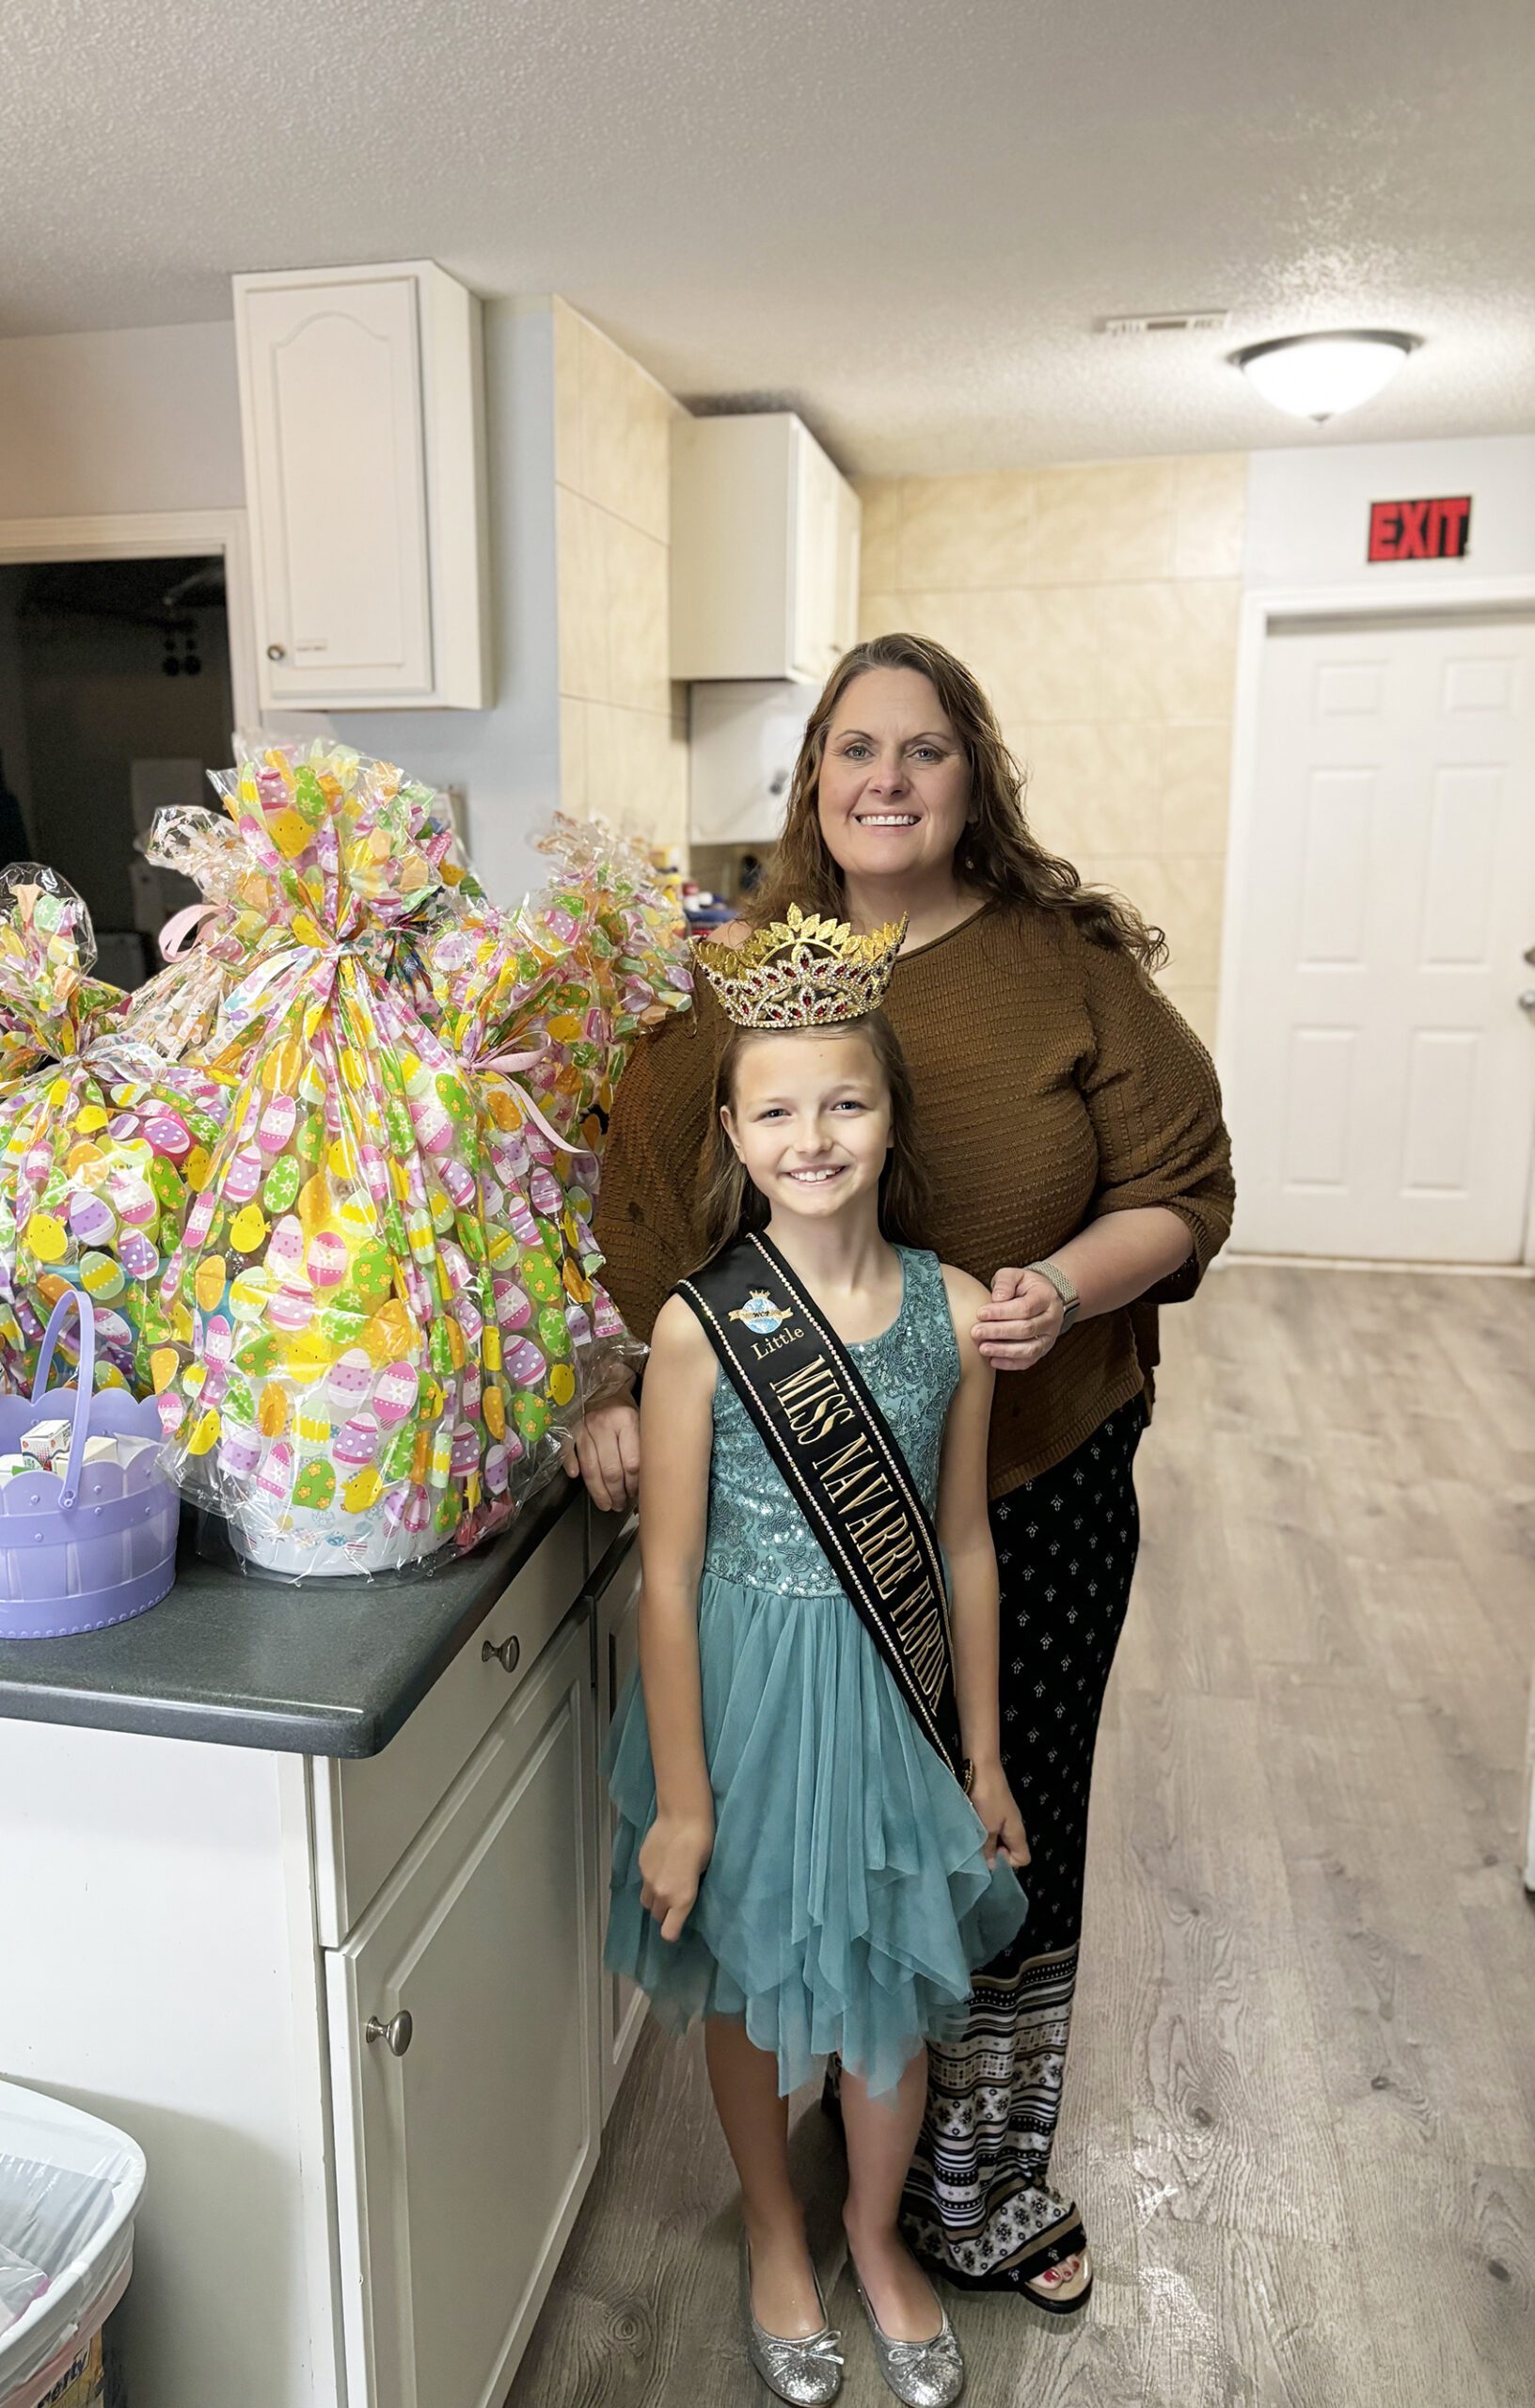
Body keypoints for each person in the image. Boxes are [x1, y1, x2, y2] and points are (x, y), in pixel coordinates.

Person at [574, 632, 1235, 2312]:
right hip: (786, 1544)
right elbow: (640, 1205)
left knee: (1005, 1832)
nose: (886, 778)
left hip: (1037, 1483)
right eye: (853, 748)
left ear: (974, 775)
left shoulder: (1066, 964)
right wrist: (610, 1384)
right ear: (812, 780)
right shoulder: (741, 983)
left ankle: (977, 2182)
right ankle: (820, 2175)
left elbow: (1187, 1181)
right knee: (803, 1853)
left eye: (924, 749)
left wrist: (1062, 1288)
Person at [603, 908, 1029, 2407]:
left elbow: (963, 1544)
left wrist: (979, 1757)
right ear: (733, 1127)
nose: (814, 1135)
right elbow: (663, 1580)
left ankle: (873, 2230)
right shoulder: (698, 1334)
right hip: (746, 1701)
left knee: (888, 1986)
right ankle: (778, 2236)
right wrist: (682, 1798)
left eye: (845, 1101)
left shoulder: (960, 1312)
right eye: (777, 1109)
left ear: (893, 1112)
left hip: (897, 1700)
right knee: (743, 1977)